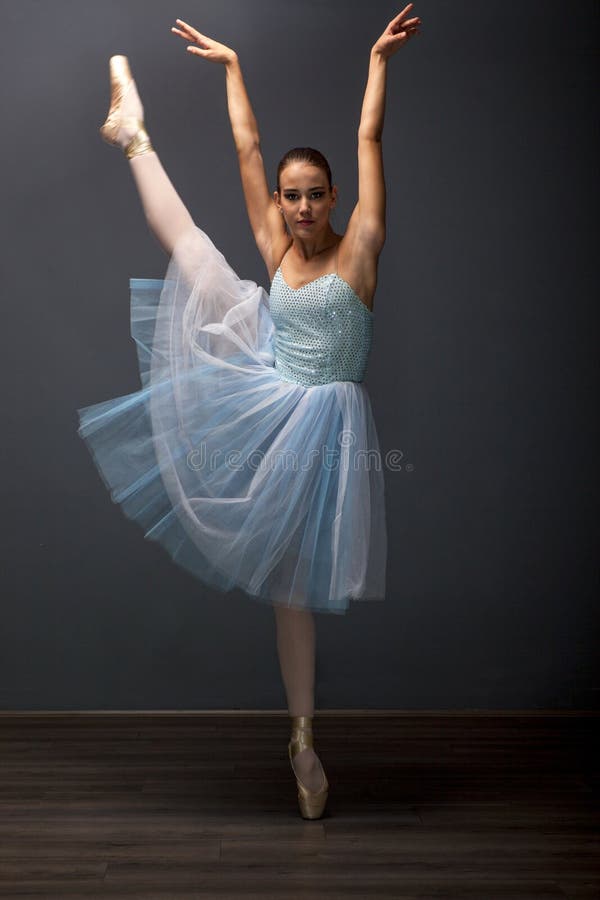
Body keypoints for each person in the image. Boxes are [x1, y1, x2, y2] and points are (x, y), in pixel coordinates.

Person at [76, 5, 421, 820]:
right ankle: (134, 135)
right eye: (290, 199)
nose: (301, 210)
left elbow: (369, 139)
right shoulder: (276, 249)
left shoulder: (361, 247)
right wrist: (233, 69)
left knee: (293, 588)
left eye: (313, 197)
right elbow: (247, 148)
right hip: (265, 377)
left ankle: (302, 741)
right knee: (195, 253)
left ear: (334, 198)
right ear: (281, 201)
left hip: (321, 419)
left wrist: (377, 61)